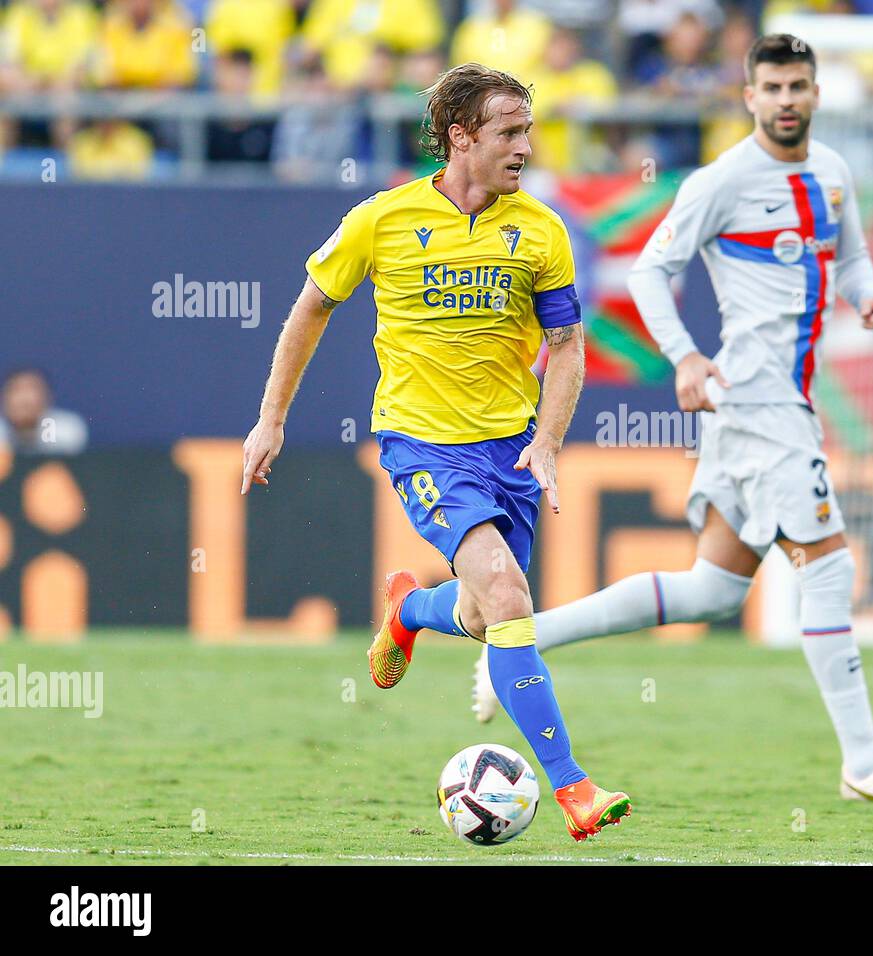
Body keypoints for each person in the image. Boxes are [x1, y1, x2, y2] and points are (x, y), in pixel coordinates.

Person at [475, 34, 873, 806]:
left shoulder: (833, 174)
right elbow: (646, 270)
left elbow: (855, 259)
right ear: (750, 97)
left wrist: (869, 296)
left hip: (777, 407)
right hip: (758, 403)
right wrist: (685, 357)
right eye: (772, 88)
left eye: (798, 85)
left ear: (815, 92)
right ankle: (865, 760)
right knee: (829, 568)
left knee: (710, 592)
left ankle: (524, 640)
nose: (787, 100)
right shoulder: (724, 179)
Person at [240, 63, 631, 842]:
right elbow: (310, 309)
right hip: (421, 442)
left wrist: (549, 441)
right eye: (510, 132)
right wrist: (270, 419)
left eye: (529, 130)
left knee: (488, 617)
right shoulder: (382, 220)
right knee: (509, 595)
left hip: (511, 447)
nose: (526, 146)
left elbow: (566, 347)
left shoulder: (542, 230)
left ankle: (410, 611)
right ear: (461, 136)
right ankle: (574, 788)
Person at [1, 368, 88, 455]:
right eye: (16, 390)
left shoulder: (67, 427)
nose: (25, 400)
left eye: (33, 390)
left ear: (47, 397)